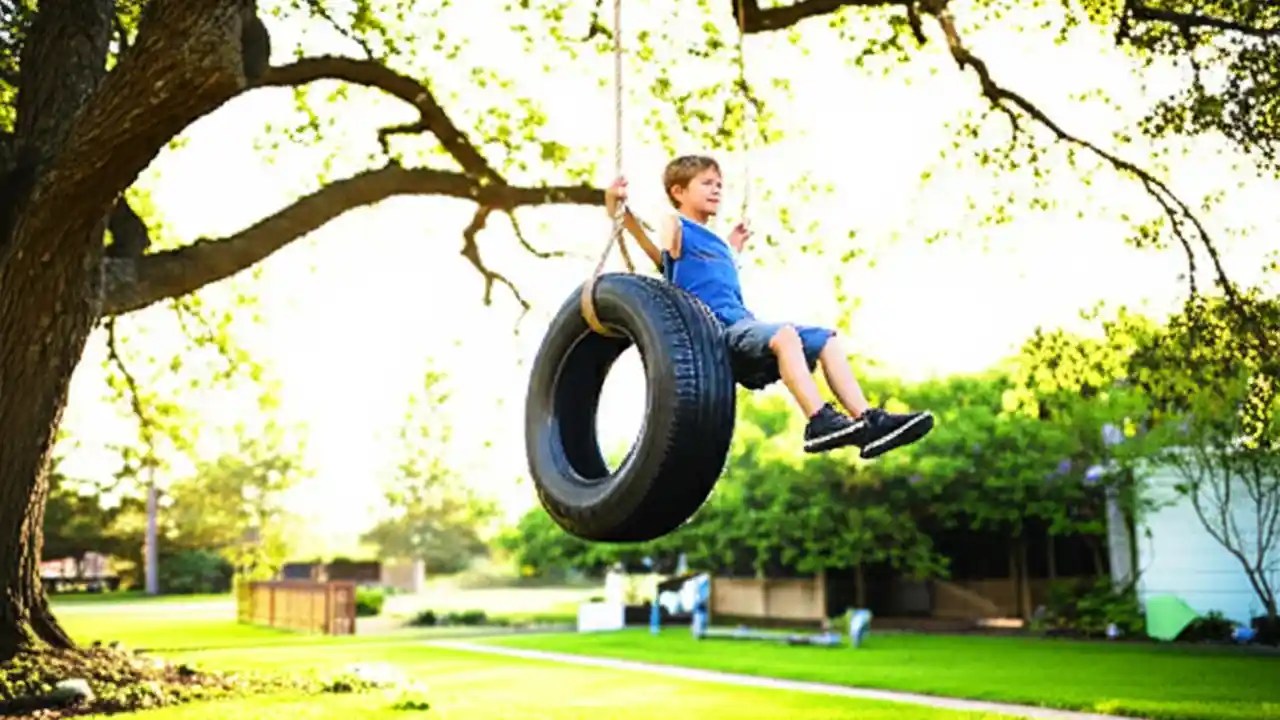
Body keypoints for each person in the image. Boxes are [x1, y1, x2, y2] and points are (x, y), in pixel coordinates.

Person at [603, 154, 933, 457]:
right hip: (717, 332)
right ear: (678, 191)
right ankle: (818, 420)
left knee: (826, 339)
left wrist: (733, 245)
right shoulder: (676, 228)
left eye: (719, 184)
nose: (717, 190)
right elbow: (662, 249)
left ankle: (868, 420)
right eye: (706, 183)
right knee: (785, 335)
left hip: (744, 324)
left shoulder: (714, 242)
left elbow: (717, 267)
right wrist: (620, 208)